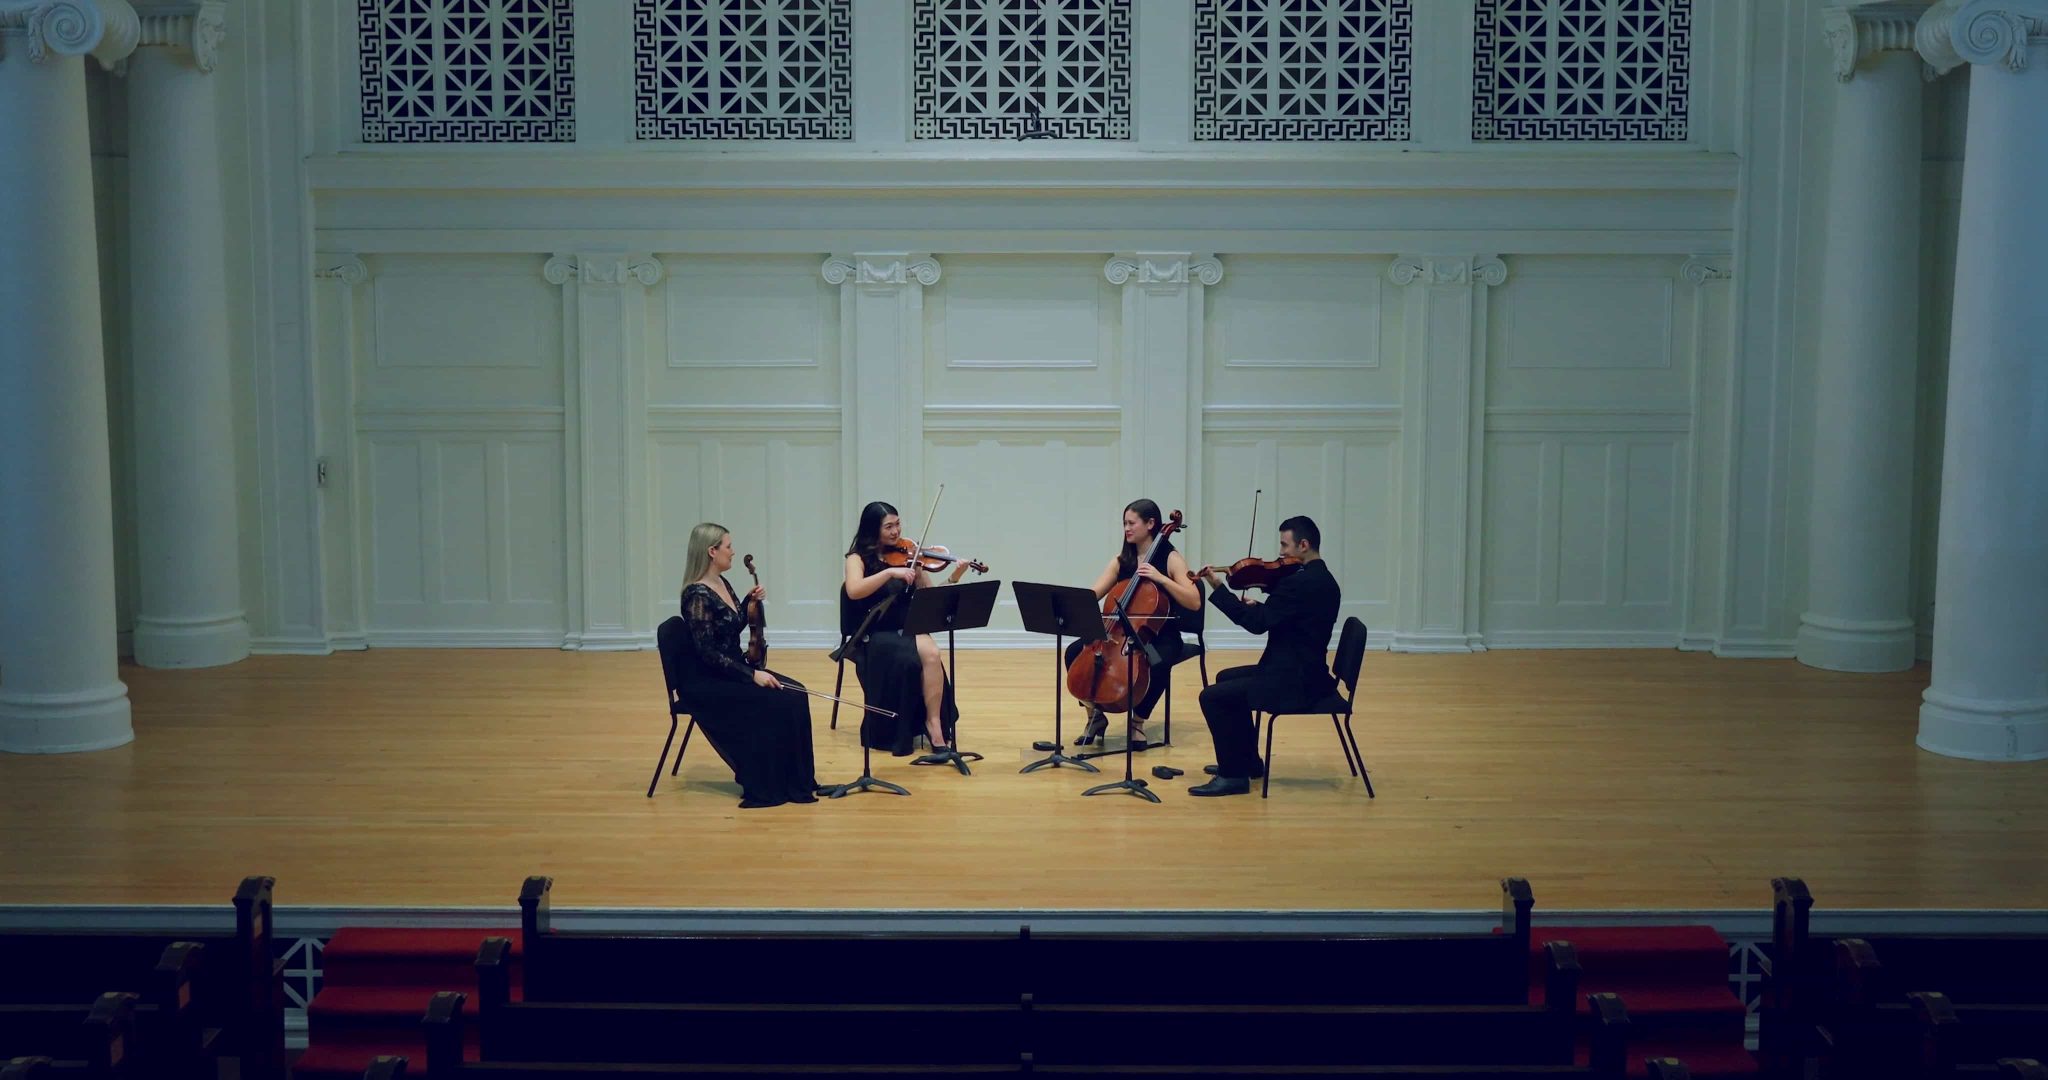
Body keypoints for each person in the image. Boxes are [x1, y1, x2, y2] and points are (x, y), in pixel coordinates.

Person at [1188, 515, 1340, 797]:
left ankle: (1233, 776)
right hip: (1307, 670)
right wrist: (1261, 606)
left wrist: (1219, 588)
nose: (1280, 554)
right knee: (1225, 678)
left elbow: (1257, 625)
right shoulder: (1322, 579)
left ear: (1303, 544)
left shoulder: (1299, 583)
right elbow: (1282, 617)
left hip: (1294, 682)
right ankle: (1247, 761)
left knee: (1212, 696)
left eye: (1285, 545)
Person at [673, 522, 822, 809]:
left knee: (796, 693)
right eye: (728, 546)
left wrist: (749, 602)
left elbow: (730, 627)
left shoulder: (721, 583)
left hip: (728, 668)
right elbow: (707, 652)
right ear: (712, 551)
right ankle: (769, 783)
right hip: (706, 680)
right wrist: (751, 674)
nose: (733, 551)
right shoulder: (696, 595)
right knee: (773, 701)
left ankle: (798, 781)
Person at [1066, 498, 1202, 751]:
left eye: (1131, 523)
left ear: (1151, 524)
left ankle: (1137, 722)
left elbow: (1194, 601)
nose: (1126, 529)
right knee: (1074, 652)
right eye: (1124, 523)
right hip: (1118, 632)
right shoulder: (1122, 561)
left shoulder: (1170, 559)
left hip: (1158, 634)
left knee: (1157, 661)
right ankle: (1095, 717)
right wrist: (1070, 601)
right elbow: (1094, 593)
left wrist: (1161, 579)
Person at [842, 501, 969, 762]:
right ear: (872, 529)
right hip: (874, 632)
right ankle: (897, 730)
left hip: (907, 625)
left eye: (897, 524)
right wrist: (890, 572)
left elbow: (931, 598)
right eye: (888, 526)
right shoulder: (857, 559)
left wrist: (955, 575)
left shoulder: (911, 557)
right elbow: (854, 590)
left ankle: (934, 725)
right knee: (909, 662)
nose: (896, 531)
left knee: (932, 654)